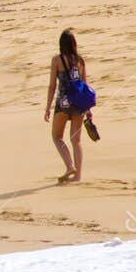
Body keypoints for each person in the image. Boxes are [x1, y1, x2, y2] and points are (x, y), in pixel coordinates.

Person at [46, 28, 88, 182]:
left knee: (57, 137)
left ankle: (70, 165)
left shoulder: (56, 60)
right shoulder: (80, 61)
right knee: (76, 141)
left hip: (63, 103)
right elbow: (85, 86)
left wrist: (47, 108)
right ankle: (78, 176)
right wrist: (88, 109)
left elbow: (52, 86)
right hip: (79, 103)